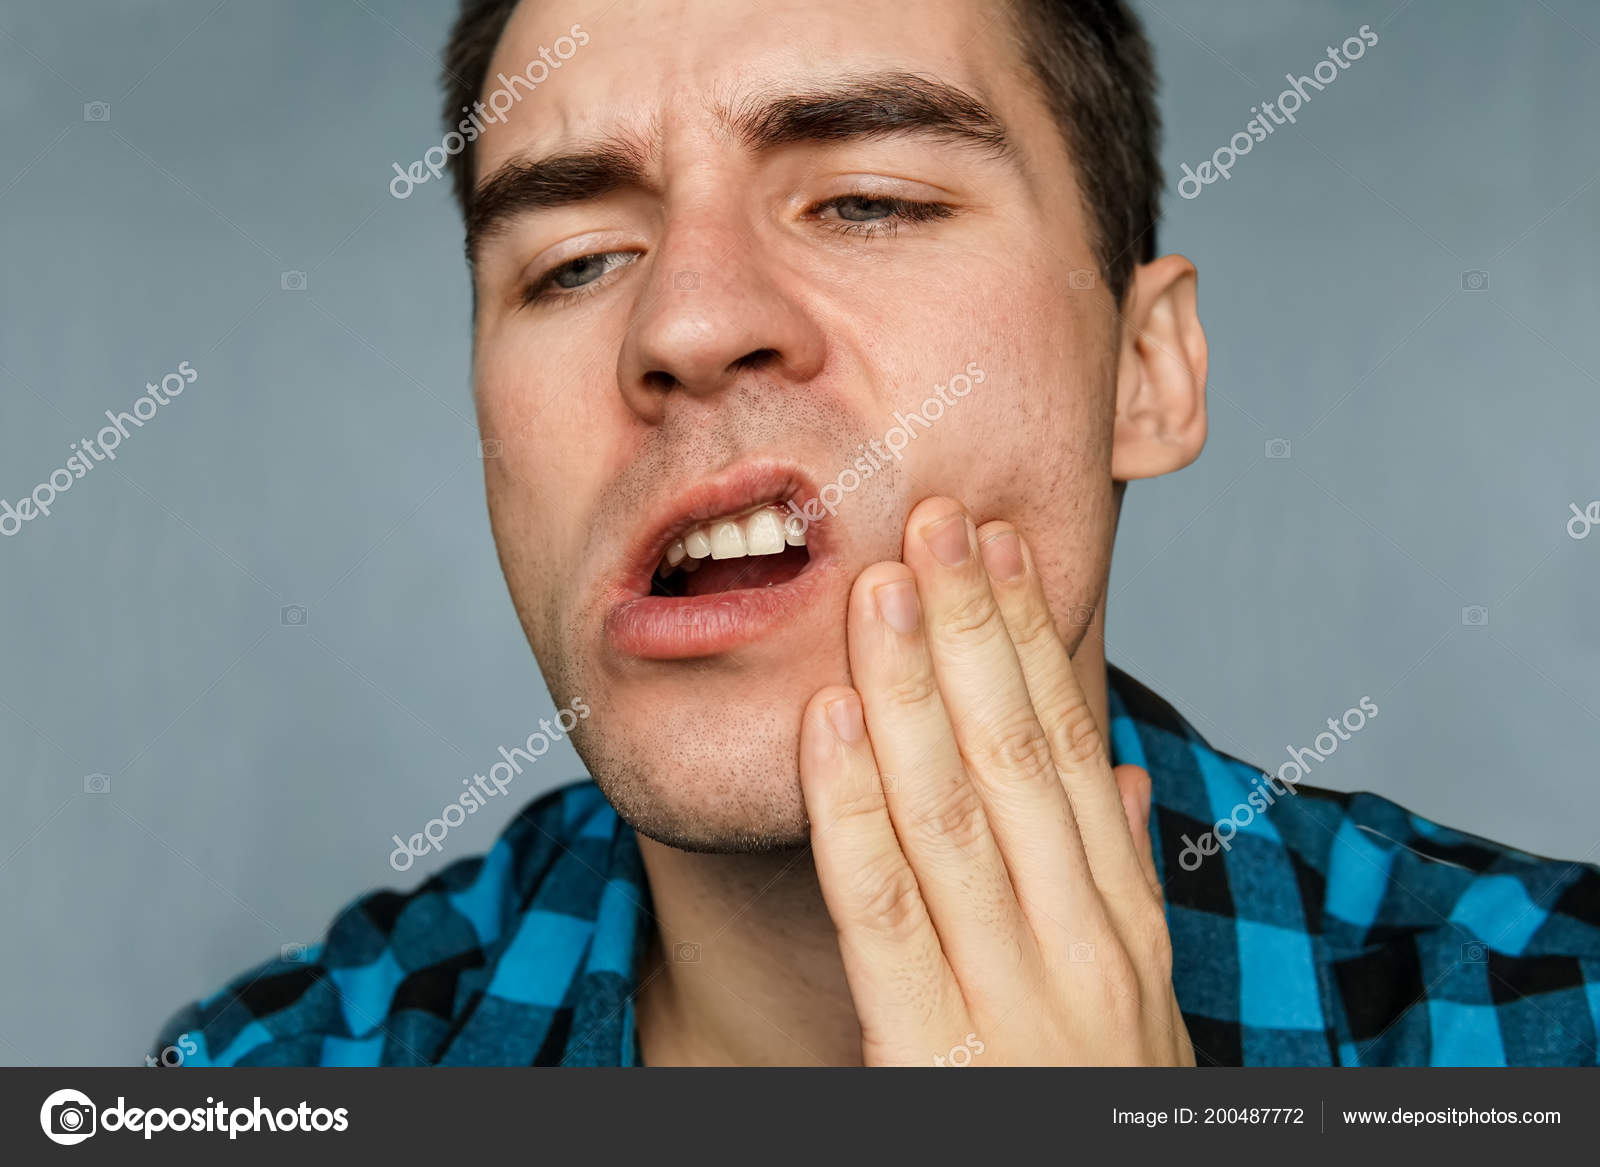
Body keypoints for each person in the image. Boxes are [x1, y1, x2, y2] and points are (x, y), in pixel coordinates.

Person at [155, 0, 1600, 1067]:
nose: (686, 324)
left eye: (867, 201)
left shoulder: (1555, 1023)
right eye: (576, 261)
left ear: (1145, 373)